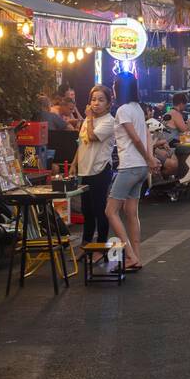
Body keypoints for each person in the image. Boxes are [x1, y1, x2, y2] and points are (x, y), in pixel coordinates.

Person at [107, 71, 154, 272]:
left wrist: (149, 158)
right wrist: (150, 160)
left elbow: (135, 139)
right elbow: (147, 136)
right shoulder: (137, 108)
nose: (113, 90)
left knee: (110, 211)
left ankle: (131, 256)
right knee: (130, 212)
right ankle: (137, 257)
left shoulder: (123, 110)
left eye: (114, 87)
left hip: (130, 166)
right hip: (141, 168)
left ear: (119, 89)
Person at [75, 84, 116, 261]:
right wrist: (73, 164)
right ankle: (85, 246)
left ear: (108, 103)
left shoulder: (109, 121)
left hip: (100, 170)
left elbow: (92, 136)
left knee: (100, 210)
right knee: (86, 210)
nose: (96, 103)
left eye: (101, 100)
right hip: (85, 170)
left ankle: (100, 248)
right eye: (93, 99)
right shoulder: (88, 120)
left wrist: (89, 118)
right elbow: (82, 142)